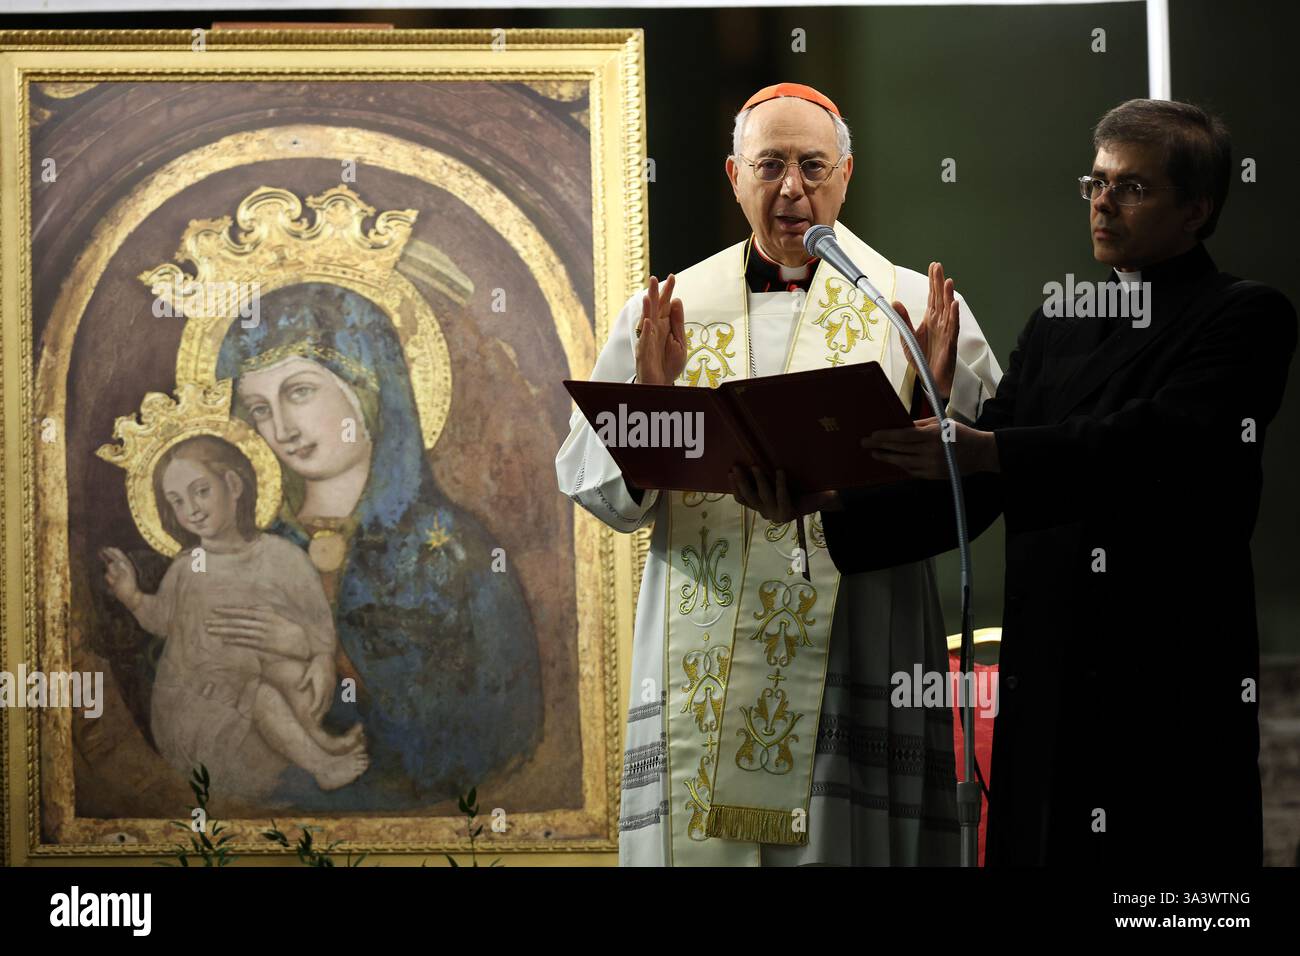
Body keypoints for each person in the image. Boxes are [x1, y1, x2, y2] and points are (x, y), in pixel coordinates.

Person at [810, 99, 1296, 865]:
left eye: (1132, 188)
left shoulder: (1246, 315)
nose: (1103, 202)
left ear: (1196, 210)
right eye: (1095, 183)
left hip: (1167, 679)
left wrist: (984, 450)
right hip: (1051, 672)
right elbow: (976, 490)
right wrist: (835, 498)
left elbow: (1157, 444)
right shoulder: (1060, 324)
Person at [557, 82, 1001, 865]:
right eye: (769, 166)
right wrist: (651, 405)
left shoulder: (911, 305)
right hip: (706, 650)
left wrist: (938, 412)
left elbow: (989, 478)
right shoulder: (665, 310)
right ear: (734, 177)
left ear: (847, 174)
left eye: (812, 166)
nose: (792, 189)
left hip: (859, 643)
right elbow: (595, 488)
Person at [215, 282, 544, 809]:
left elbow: (502, 726)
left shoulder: (455, 548)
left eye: (299, 392)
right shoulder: (250, 549)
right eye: (257, 409)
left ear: (367, 387)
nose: (280, 428)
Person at [100, 434, 369, 797]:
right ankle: (322, 766)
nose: (191, 509)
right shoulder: (188, 565)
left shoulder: (283, 557)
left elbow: (318, 623)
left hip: (258, 700)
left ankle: (318, 740)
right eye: (177, 501)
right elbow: (162, 621)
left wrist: (321, 658)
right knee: (260, 694)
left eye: (201, 491)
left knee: (292, 675)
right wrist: (131, 596)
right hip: (197, 708)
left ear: (233, 484)